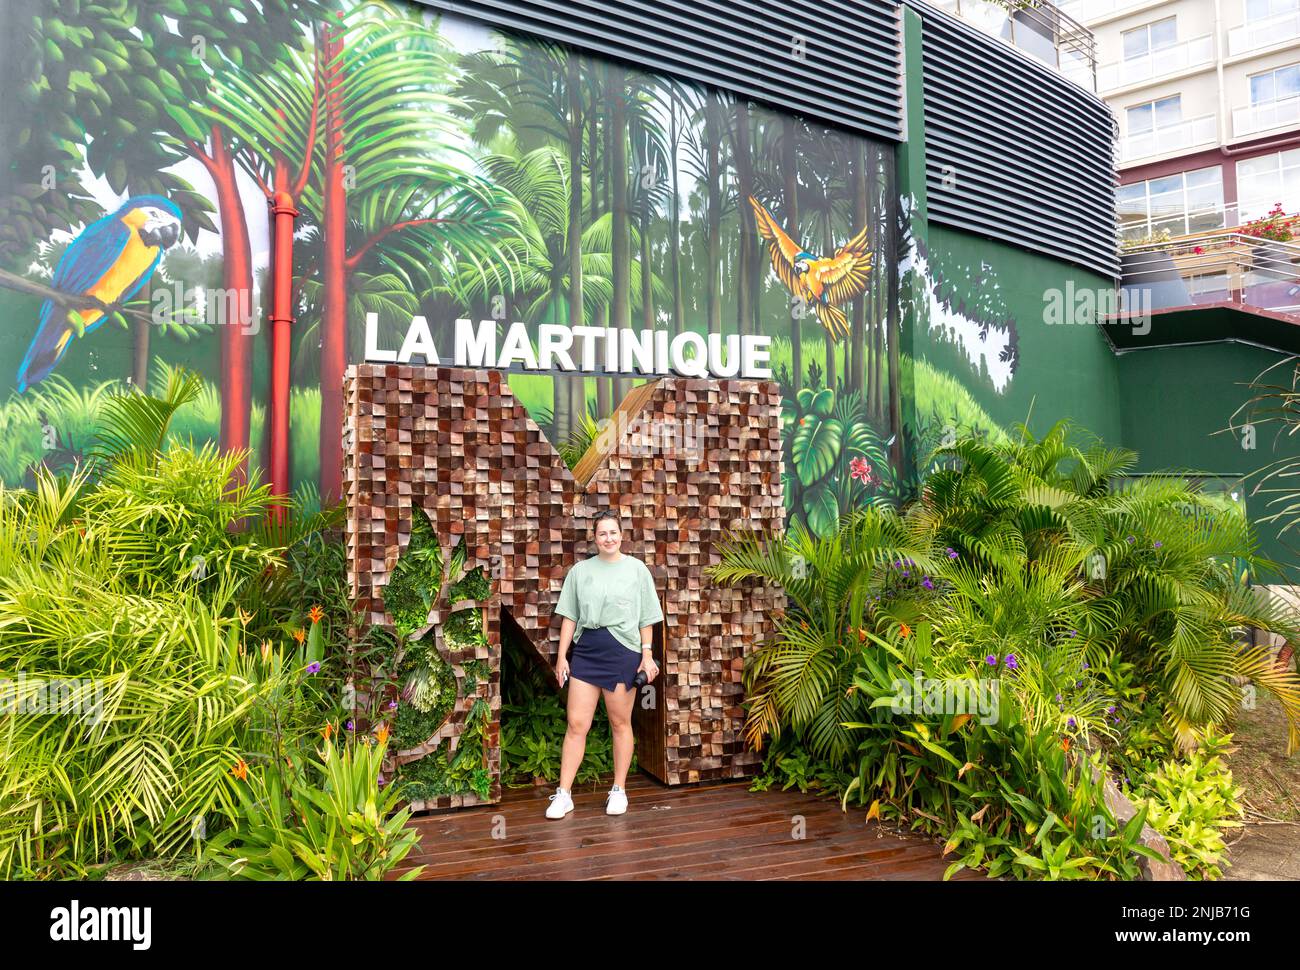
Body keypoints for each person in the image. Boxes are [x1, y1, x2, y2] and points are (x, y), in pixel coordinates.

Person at [546, 509, 662, 818]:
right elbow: (569, 616)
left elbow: (647, 618)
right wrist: (562, 657)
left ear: (621, 535)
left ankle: (619, 790)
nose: (608, 538)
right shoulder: (580, 572)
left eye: (613, 532)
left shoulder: (637, 570)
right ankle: (564, 794)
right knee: (576, 724)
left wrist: (647, 655)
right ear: (595, 538)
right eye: (602, 533)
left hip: (624, 653)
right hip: (586, 653)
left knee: (620, 722)